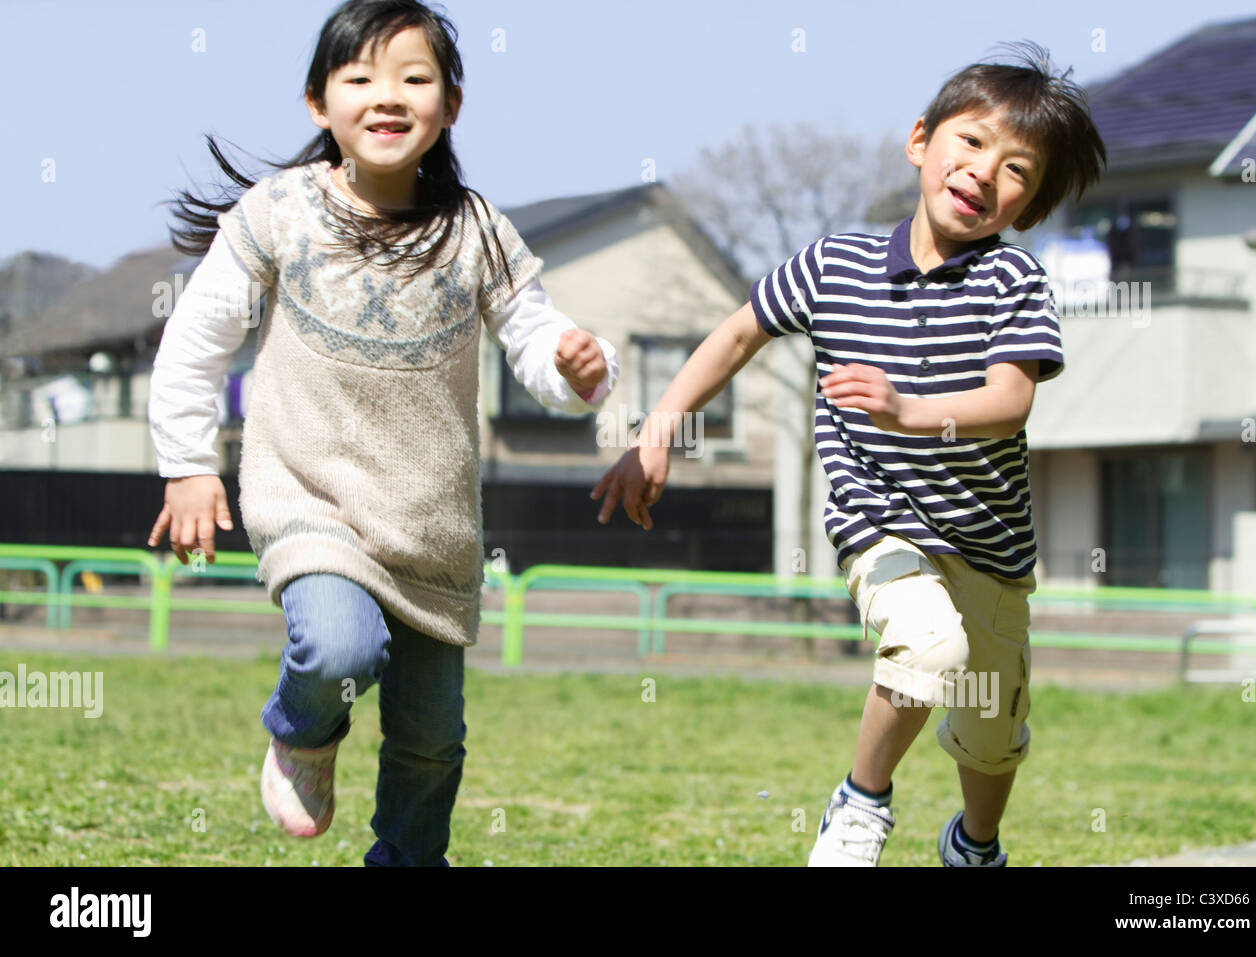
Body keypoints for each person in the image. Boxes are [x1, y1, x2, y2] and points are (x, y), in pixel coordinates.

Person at [591, 42, 1104, 867]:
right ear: (920, 141)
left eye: (1016, 170)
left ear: (1029, 207)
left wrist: (909, 408)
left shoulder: (1012, 282)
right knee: (927, 647)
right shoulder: (837, 265)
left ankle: (975, 843)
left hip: (991, 548)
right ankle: (861, 801)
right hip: (881, 520)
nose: (983, 172)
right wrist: (657, 434)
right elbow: (735, 334)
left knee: (991, 739)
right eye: (970, 143)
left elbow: (1011, 402)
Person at [146, 0, 618, 866]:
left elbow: (536, 336)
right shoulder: (278, 212)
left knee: (432, 742)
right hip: (307, 498)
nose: (387, 95)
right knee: (339, 643)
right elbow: (197, 339)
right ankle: (302, 729)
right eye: (358, 77)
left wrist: (575, 369)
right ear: (318, 105)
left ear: (451, 105)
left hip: (431, 529)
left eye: (414, 77)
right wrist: (187, 464)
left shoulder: (476, 231)